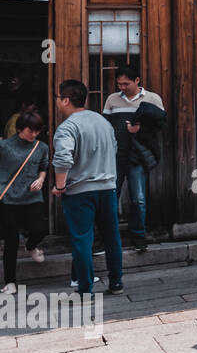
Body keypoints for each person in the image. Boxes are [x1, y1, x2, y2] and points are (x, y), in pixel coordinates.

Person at [50, 80, 123, 296]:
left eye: (57, 97)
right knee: (112, 236)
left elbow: (62, 159)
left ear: (65, 100)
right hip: (108, 186)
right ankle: (116, 282)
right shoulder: (103, 122)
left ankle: (85, 289)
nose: (56, 102)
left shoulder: (67, 127)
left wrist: (60, 185)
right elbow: (115, 148)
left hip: (80, 191)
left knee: (82, 239)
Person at [101, 65, 165, 251]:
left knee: (139, 199)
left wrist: (140, 130)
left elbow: (160, 124)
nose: (122, 87)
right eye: (119, 84)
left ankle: (138, 236)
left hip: (137, 156)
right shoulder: (112, 99)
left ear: (137, 80)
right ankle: (107, 237)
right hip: (114, 156)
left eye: (126, 83)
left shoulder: (152, 98)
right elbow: (105, 125)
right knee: (111, 197)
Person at [0, 110, 49, 293]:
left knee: (40, 229)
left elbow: (44, 166)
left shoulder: (41, 147)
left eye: (37, 131)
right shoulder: (5, 146)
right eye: (30, 131)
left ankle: (31, 245)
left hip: (32, 196)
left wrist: (41, 179)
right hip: (9, 198)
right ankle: (10, 282)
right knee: (11, 241)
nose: (34, 134)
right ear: (20, 128)